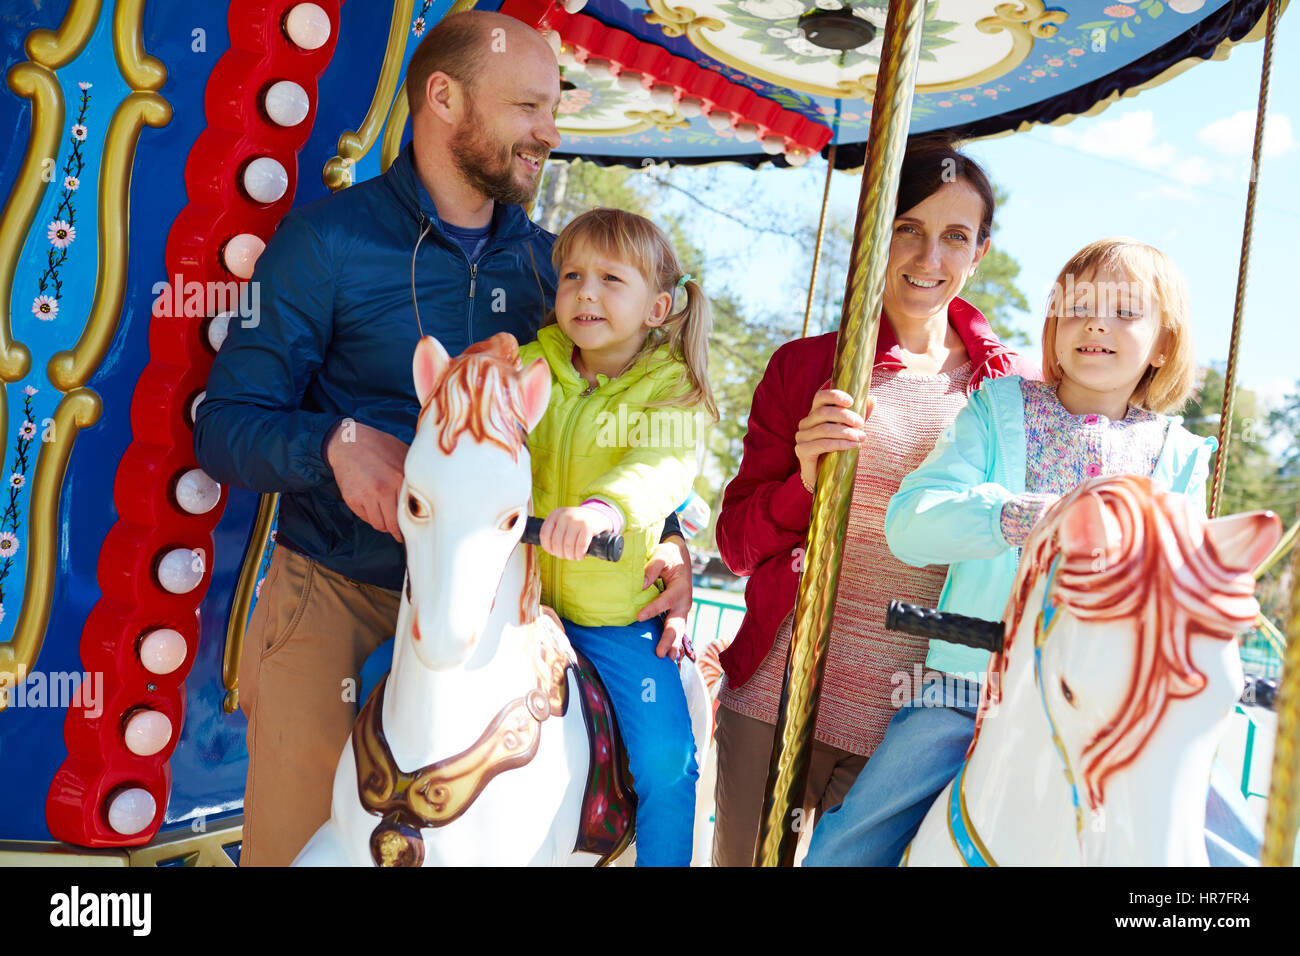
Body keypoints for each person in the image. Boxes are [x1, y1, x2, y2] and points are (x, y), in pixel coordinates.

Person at [193, 12, 692, 867]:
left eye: (554, 110)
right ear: (444, 97)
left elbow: (632, 417)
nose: (549, 132)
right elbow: (225, 425)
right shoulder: (329, 242)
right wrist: (338, 445)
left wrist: (673, 536)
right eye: (529, 107)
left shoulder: (551, 270)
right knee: (296, 849)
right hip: (348, 595)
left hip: (506, 619)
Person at [805, 237, 1261, 866]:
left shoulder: (1179, 458)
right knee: (847, 843)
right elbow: (911, 524)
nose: (1097, 322)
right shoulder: (997, 412)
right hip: (973, 685)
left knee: (1235, 852)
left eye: (1126, 311)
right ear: (1053, 325)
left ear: (1163, 345)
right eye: (1078, 306)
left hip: (1117, 706)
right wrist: (1021, 514)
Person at [710, 138, 1038, 866]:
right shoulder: (806, 367)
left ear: (979, 253)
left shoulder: (1007, 391)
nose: (929, 257)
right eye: (908, 229)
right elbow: (735, 545)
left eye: (955, 236)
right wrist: (803, 480)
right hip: (779, 690)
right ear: (874, 238)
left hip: (913, 718)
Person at [511, 207, 718, 866]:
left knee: (667, 761)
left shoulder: (670, 388)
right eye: (572, 275)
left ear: (658, 307)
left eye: (609, 278)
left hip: (615, 618)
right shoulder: (528, 365)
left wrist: (603, 511)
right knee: (383, 673)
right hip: (523, 602)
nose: (585, 292)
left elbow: (661, 468)